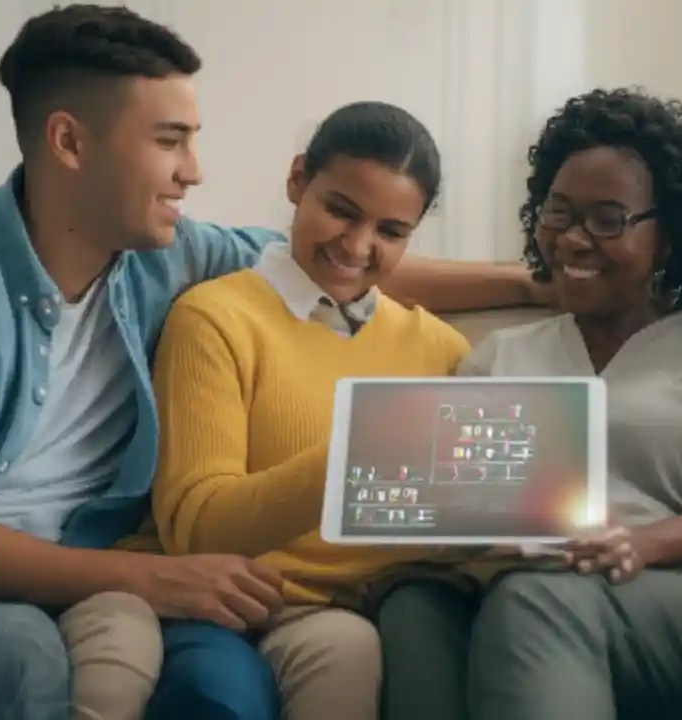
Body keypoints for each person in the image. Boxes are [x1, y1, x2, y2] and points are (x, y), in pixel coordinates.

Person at [0, 5, 535, 719]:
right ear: (69, 141)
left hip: (89, 570)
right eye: (170, 141)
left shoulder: (169, 255)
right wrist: (151, 580)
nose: (194, 171)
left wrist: (534, 283)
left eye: (192, 140)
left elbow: (346, 266)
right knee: (17, 646)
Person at [377, 87, 682, 720]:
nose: (571, 239)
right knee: (414, 605)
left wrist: (635, 543)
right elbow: (460, 505)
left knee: (536, 597)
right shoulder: (497, 356)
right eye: (558, 213)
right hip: (526, 577)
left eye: (607, 219)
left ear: (669, 237)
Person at [117, 99, 466, 720]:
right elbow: (196, 527)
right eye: (340, 210)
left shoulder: (440, 349)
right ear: (298, 180)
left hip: (340, 619)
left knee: (347, 655)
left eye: (390, 232)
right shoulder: (216, 317)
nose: (357, 247)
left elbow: (466, 522)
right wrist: (360, 456)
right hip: (212, 600)